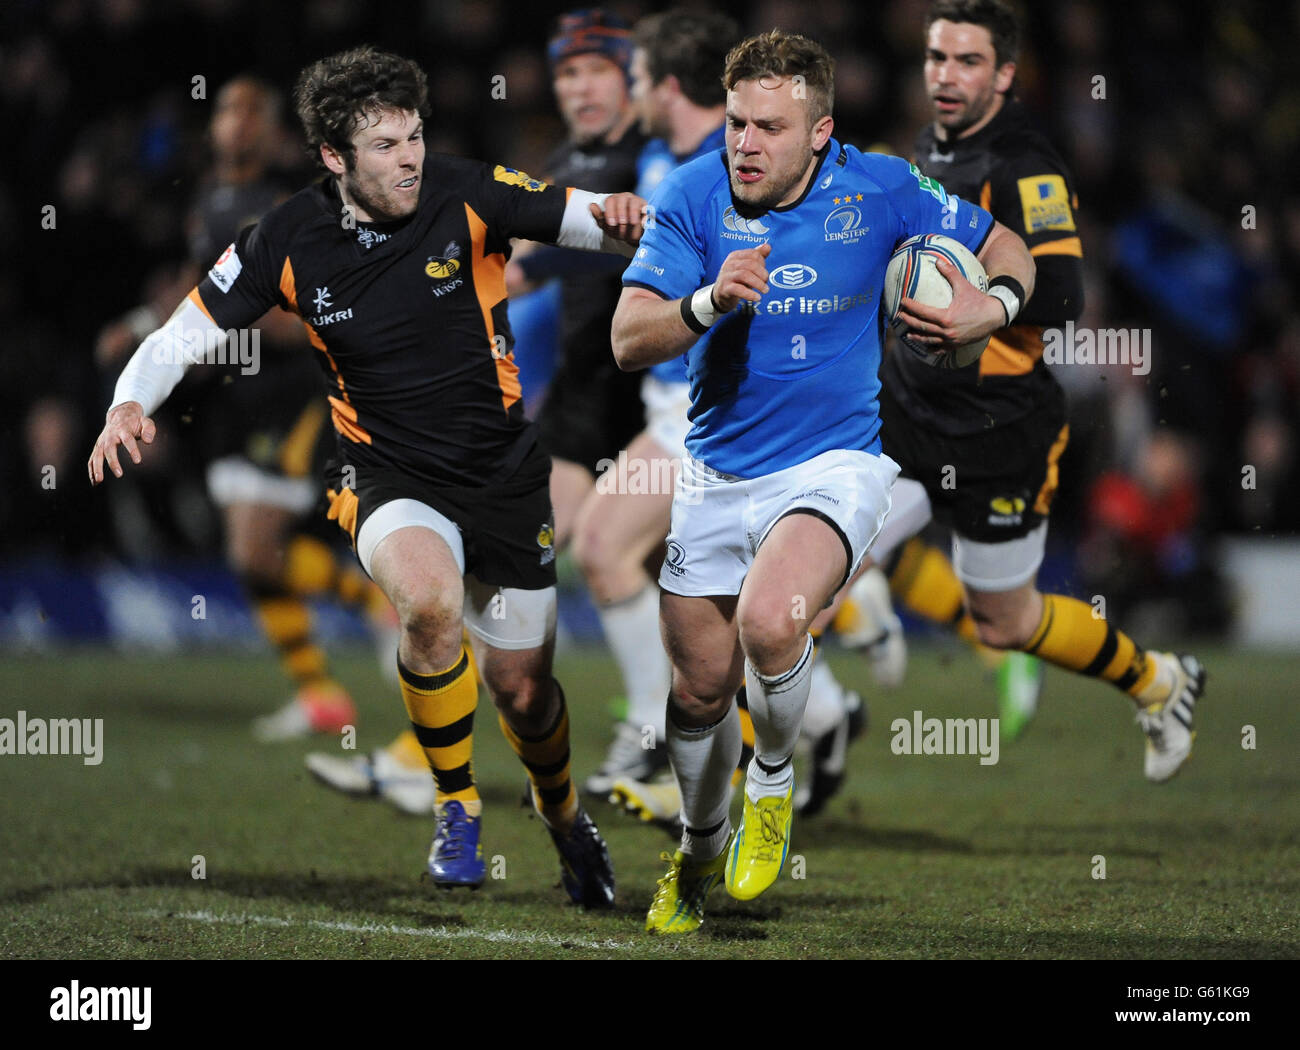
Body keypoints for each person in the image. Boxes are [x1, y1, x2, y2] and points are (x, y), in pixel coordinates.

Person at [88, 45, 647, 908]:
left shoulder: (467, 192)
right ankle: (456, 807)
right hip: (387, 474)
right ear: (332, 158)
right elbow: (180, 333)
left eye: (414, 136)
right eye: (385, 145)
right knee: (428, 606)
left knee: (525, 691)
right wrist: (131, 402)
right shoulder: (285, 237)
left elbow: (589, 219)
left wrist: (631, 219)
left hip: (503, 474)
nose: (410, 157)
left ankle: (564, 814)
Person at [611, 29, 1035, 933]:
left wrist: (984, 309)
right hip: (715, 471)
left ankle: (772, 778)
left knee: (773, 622)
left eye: (769, 125)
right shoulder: (691, 193)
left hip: (836, 465)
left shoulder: (878, 186)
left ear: (820, 131)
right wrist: (706, 302)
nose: (746, 144)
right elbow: (627, 336)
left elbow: (1008, 246)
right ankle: (695, 850)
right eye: (735, 123)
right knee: (696, 692)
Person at [304, 7, 650, 816]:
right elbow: (520, 260)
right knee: (473, 593)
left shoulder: (663, 155)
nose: (579, 87)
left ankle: (751, 728)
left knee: (651, 574)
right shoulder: (572, 161)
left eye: (597, 70)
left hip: (662, 405)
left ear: (634, 79)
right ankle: (416, 760)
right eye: (565, 73)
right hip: (583, 408)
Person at [864, 0, 1205, 763]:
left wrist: (991, 308)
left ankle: (1157, 679)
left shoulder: (1026, 166)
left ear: (1007, 74)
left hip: (998, 426)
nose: (947, 76)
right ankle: (767, 770)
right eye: (937, 58)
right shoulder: (925, 147)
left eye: (969, 61)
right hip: (902, 413)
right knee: (814, 560)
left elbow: (1065, 291)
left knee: (1006, 623)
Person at [588, 9, 864, 826]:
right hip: (673, 404)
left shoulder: (758, 176)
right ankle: (821, 713)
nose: (748, 138)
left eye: (635, 77)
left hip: (712, 415)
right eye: (740, 121)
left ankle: (661, 738)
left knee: (607, 549)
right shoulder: (666, 169)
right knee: (730, 612)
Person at [96, 76, 394, 742]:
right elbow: (196, 288)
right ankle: (321, 691)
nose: (238, 121)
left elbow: (302, 314)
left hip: (288, 396)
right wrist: (144, 320)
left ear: (271, 131)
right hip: (232, 397)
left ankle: (378, 604)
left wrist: (222, 328)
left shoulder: (282, 207)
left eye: (253, 111)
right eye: (229, 108)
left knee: (254, 548)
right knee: (253, 558)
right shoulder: (208, 202)